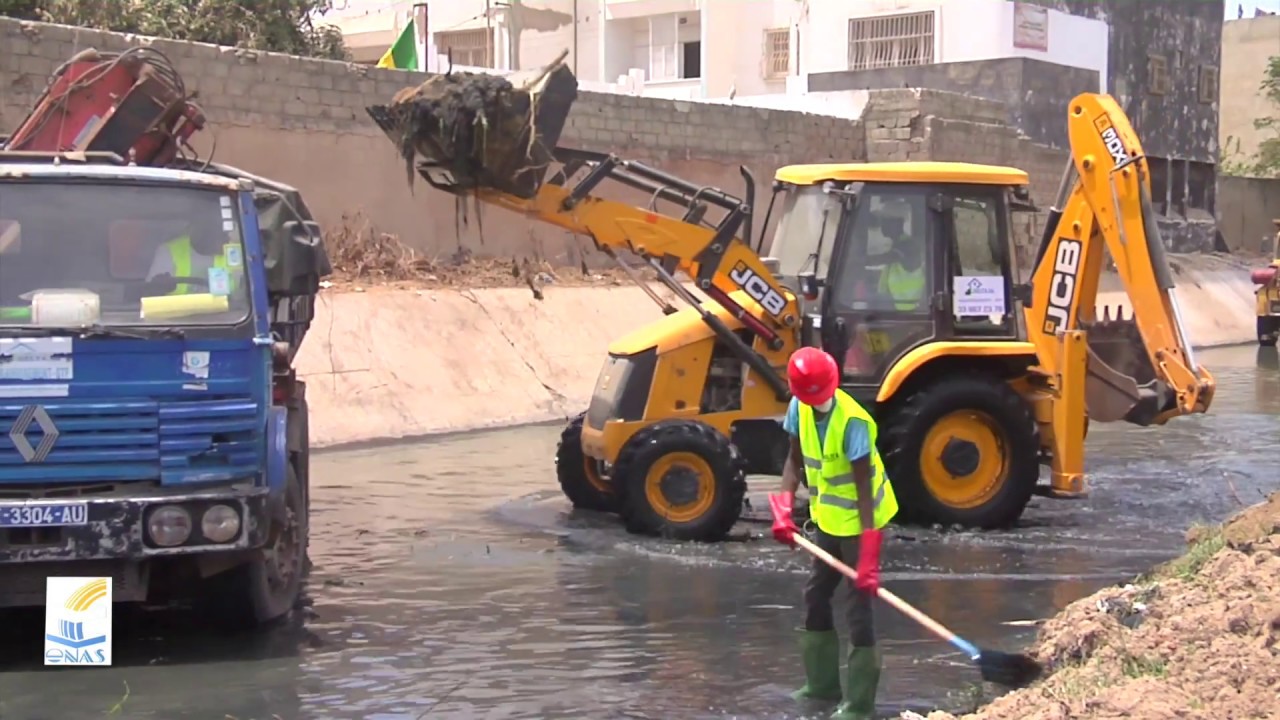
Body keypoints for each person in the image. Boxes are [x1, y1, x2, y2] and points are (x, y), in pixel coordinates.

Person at [768, 346, 899, 720]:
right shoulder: (799, 408)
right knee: (816, 593)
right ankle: (822, 685)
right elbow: (794, 460)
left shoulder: (853, 422)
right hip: (828, 518)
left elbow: (864, 490)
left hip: (861, 522)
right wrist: (783, 507)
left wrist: (868, 554)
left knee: (858, 606)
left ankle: (859, 704)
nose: (814, 401)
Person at [146, 220, 235, 295]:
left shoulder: (233, 251)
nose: (227, 239)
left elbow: (240, 292)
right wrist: (160, 286)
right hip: (178, 310)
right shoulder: (168, 251)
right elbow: (150, 294)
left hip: (227, 310)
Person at [873, 203, 926, 311]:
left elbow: (883, 259)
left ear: (897, 223)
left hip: (907, 309)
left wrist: (858, 259)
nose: (882, 225)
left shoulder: (907, 246)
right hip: (898, 307)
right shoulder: (897, 244)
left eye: (885, 221)